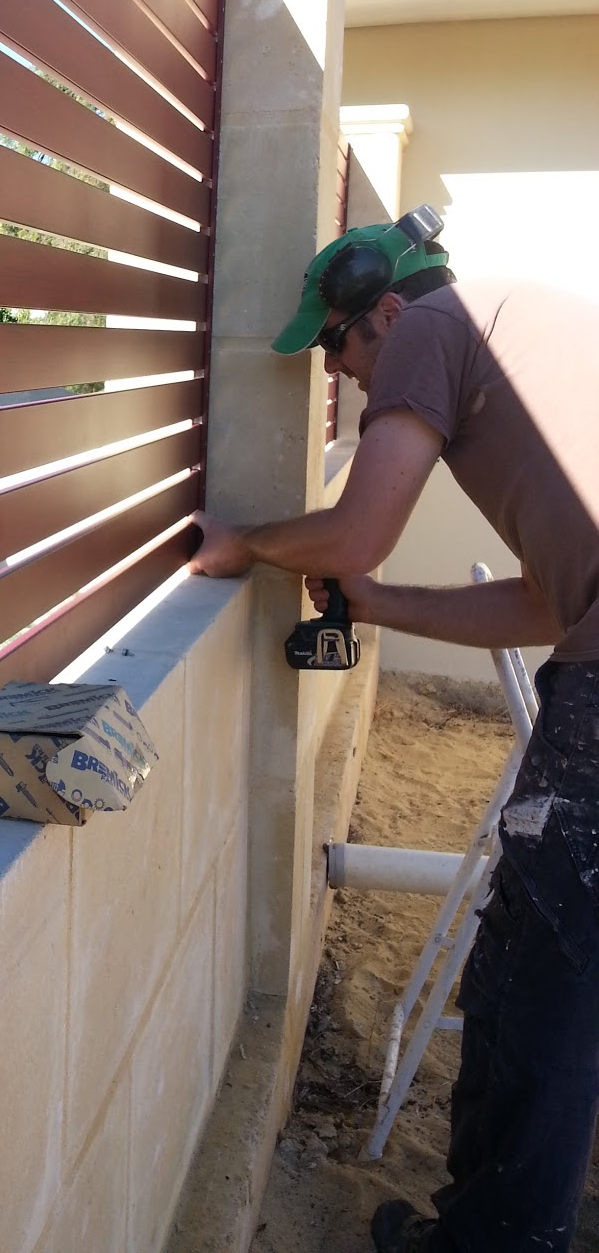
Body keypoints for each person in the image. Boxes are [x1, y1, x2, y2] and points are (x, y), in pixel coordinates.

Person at [191, 212, 599, 1253]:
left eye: (338, 347)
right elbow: (548, 608)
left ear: (384, 306)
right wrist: (370, 605)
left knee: (543, 971)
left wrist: (249, 542)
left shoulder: (433, 322)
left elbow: (358, 527)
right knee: (536, 948)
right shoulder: (511, 346)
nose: (349, 377)